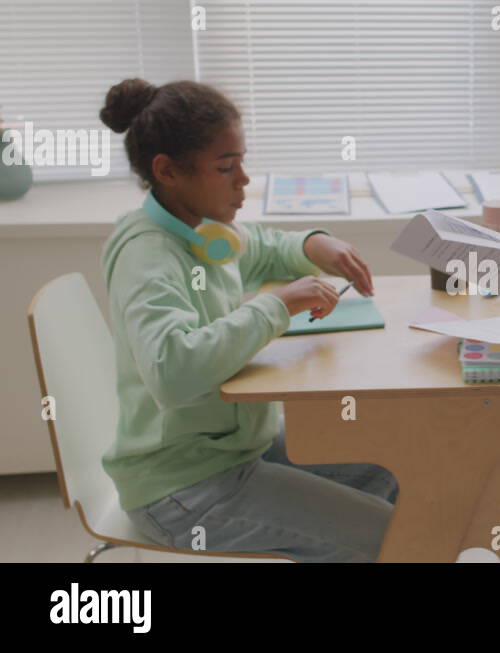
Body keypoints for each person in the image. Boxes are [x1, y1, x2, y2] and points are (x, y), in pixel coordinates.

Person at [99, 78, 397, 562]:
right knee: (393, 535)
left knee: (389, 469)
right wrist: (275, 308)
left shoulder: (200, 228)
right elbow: (172, 372)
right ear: (168, 171)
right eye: (226, 167)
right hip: (183, 488)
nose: (243, 181)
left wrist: (311, 244)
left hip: (236, 450)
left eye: (241, 162)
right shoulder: (148, 255)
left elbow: (257, 248)